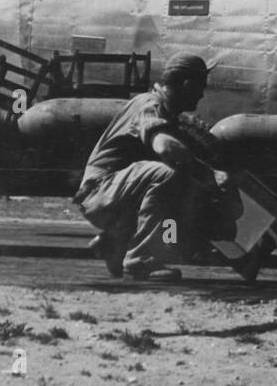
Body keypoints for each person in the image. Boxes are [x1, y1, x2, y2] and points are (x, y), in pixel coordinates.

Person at [74, 52, 224, 283]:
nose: (202, 94)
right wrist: (209, 173)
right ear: (187, 84)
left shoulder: (162, 111)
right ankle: (139, 259)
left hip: (111, 195)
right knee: (170, 174)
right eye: (200, 86)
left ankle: (115, 243)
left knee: (184, 182)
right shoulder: (150, 106)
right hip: (101, 193)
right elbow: (164, 147)